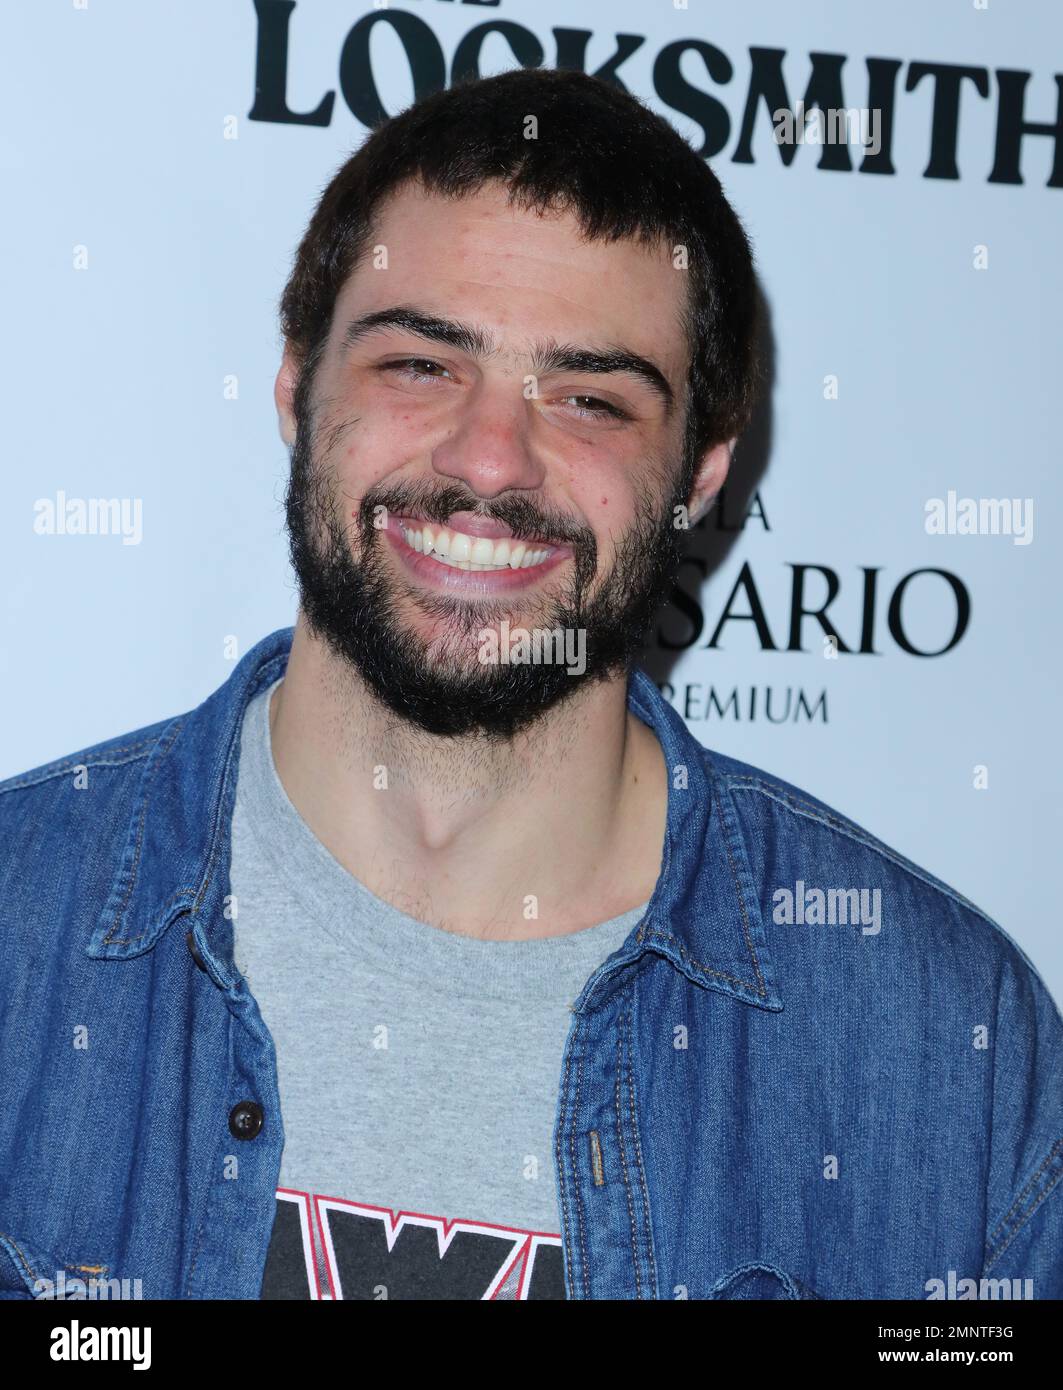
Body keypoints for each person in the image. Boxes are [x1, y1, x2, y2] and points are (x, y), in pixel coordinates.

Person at [1, 67, 1060, 1303]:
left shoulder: (945, 1049)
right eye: (418, 365)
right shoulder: (22, 925)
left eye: (591, 398)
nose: (490, 458)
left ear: (702, 472)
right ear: (296, 384)